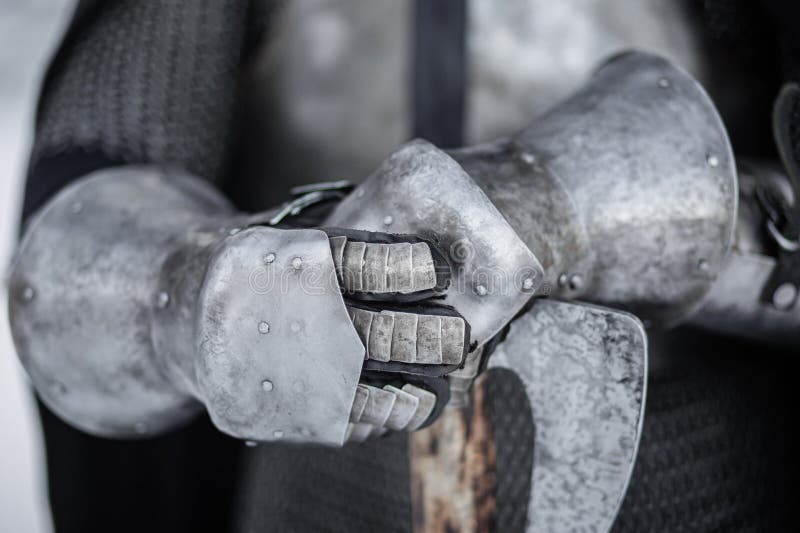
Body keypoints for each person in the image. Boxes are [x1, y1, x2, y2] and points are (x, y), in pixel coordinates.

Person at [9, 1, 799, 531]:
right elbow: (64, 273)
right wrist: (192, 295)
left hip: (681, 460)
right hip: (319, 475)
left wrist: (564, 205)